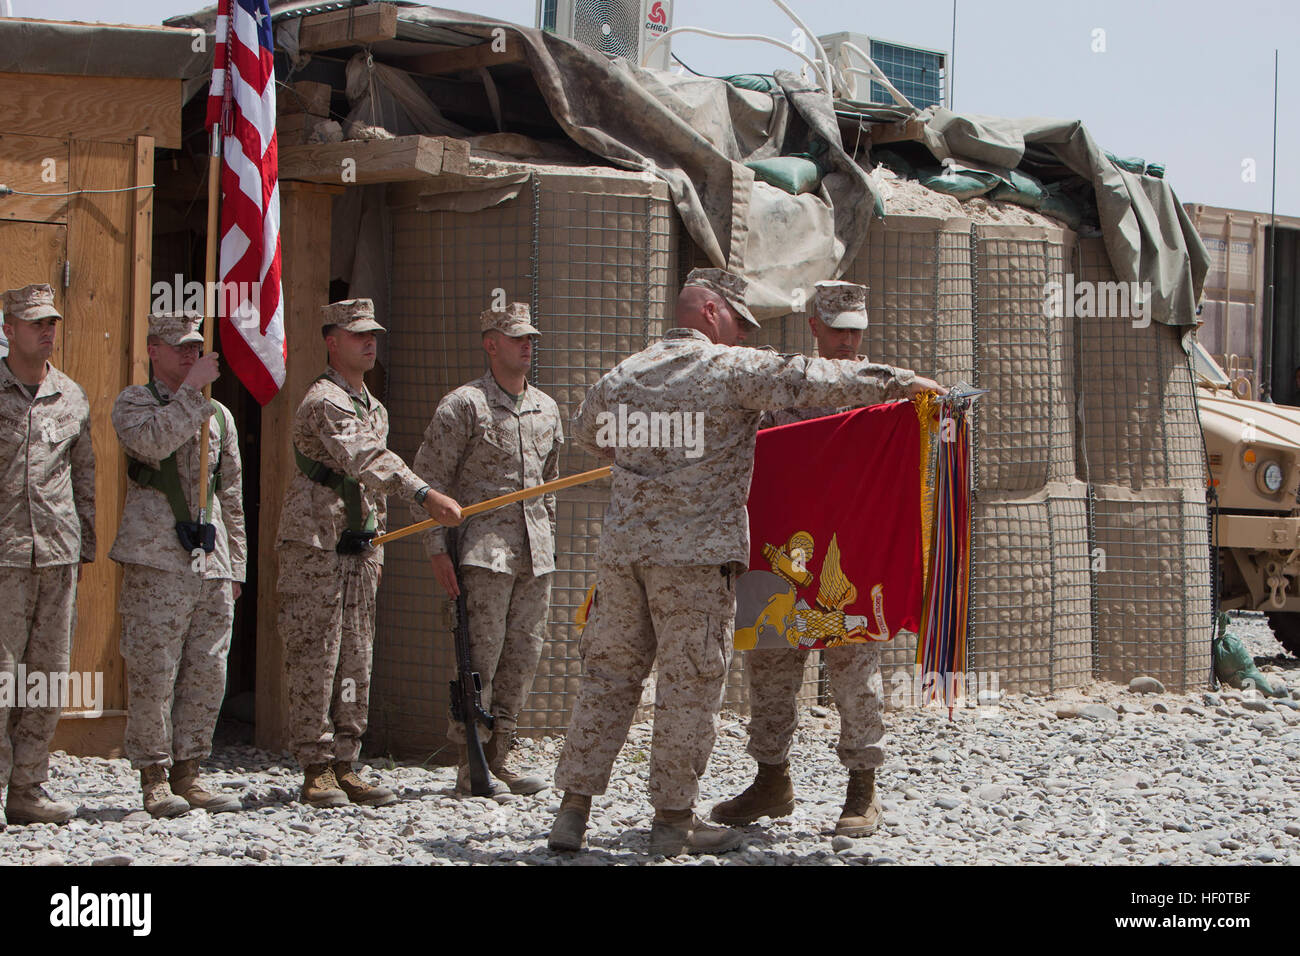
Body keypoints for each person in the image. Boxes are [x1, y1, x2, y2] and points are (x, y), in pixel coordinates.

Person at [547, 269, 945, 856]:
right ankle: (673, 823)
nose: (742, 334)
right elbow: (808, 377)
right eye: (738, 320)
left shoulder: (621, 374)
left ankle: (572, 814)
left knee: (607, 678)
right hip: (697, 562)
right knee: (688, 687)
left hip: (624, 558)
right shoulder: (727, 369)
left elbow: (588, 433)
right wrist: (903, 383)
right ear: (710, 311)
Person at [711, 280, 889, 837]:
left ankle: (862, 790)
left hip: (847, 557)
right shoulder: (781, 388)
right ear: (814, 327)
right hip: (778, 551)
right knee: (768, 669)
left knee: (854, 677)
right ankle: (771, 780)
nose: (847, 341)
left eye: (856, 330)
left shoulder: (881, 389)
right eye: (837, 330)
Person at [277, 298, 462, 808]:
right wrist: (424, 495)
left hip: (362, 545)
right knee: (317, 654)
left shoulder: (373, 407)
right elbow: (365, 459)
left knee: (357, 656)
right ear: (331, 341)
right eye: (357, 334)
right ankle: (315, 765)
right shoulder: (324, 401)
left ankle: (345, 759)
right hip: (316, 545)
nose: (369, 341)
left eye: (373, 333)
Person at [413, 302, 561, 796]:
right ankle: (469, 760)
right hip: (483, 552)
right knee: (479, 658)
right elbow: (431, 479)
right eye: (516, 337)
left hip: (534, 555)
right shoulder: (464, 405)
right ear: (490, 344)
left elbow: (550, 484)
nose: (527, 345)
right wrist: (437, 547)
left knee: (524, 654)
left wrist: (549, 540)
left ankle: (502, 753)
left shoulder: (547, 408)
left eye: (531, 338)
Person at [111, 311, 244, 818]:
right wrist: (192, 390)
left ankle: (191, 769)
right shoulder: (135, 402)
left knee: (207, 669)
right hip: (154, 559)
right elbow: (151, 443)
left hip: (210, 561)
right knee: (154, 670)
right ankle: (153, 775)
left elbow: (231, 494)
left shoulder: (221, 416)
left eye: (195, 347)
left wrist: (236, 566)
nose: (189, 355)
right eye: (178, 347)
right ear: (153, 351)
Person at [0, 283, 96, 830]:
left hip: (57, 556)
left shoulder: (71, 395)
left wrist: (82, 540)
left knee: (47, 676)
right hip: (4, 557)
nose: (46, 330)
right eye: (35, 322)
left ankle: (29, 788)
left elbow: (83, 475)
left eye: (51, 322)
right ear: (9, 328)